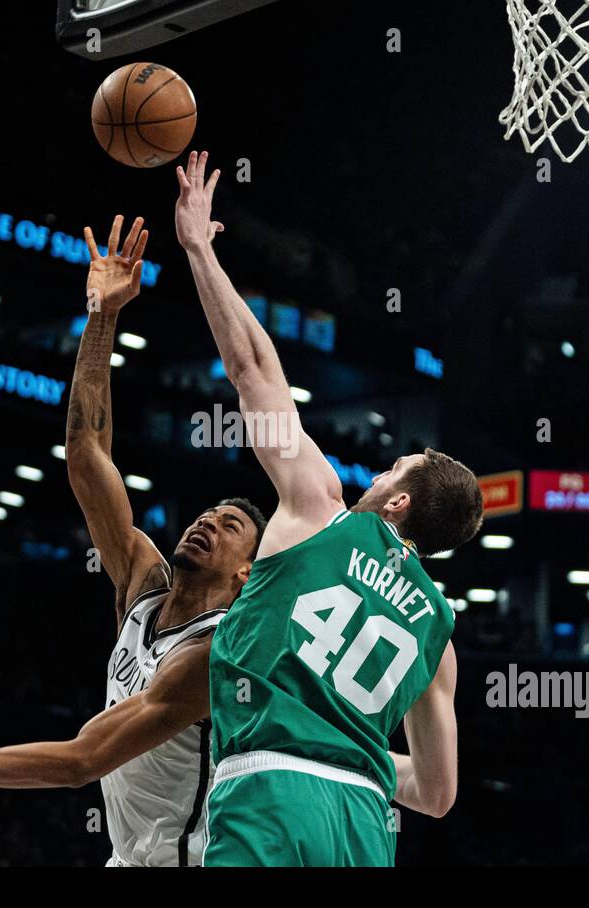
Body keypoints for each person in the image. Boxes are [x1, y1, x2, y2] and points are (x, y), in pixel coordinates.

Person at [0, 215, 267, 867]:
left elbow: (80, 763)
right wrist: (103, 316)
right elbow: (84, 450)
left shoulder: (214, 652)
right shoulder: (143, 583)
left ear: (245, 574)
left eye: (231, 526)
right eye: (207, 512)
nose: (208, 521)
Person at [172, 151, 485, 866]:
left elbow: (253, 370)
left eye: (391, 469)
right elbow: (438, 795)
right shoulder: (438, 633)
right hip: (364, 826)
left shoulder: (321, 508)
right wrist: (357, 755)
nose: (376, 472)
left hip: (269, 794)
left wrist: (198, 249)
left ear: (398, 501)